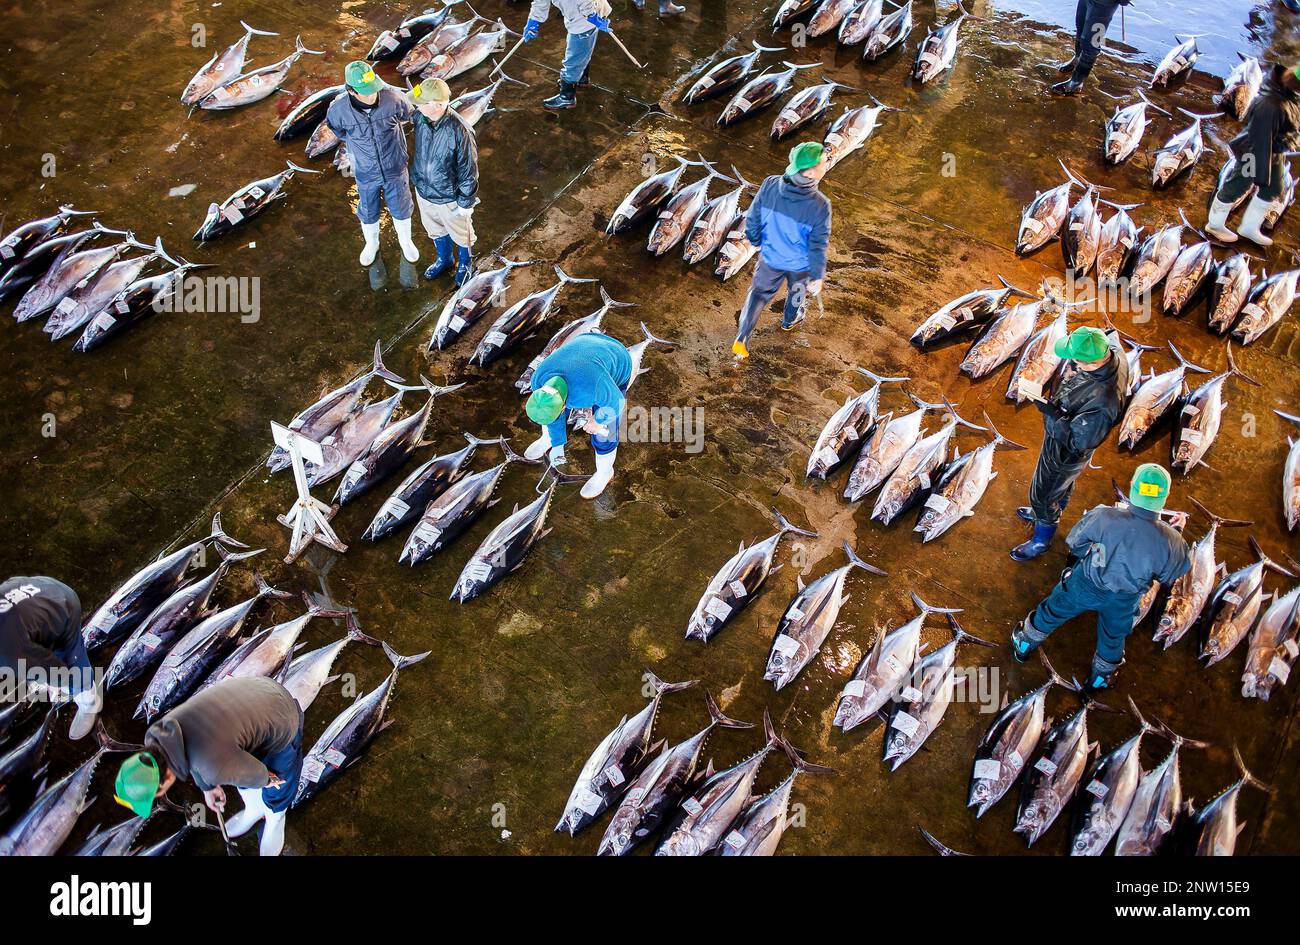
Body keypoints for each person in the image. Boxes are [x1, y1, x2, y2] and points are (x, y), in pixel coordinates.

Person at [1011, 464, 1190, 690]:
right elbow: (1170, 574)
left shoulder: (1104, 515)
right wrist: (1175, 532)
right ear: (1164, 498)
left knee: (1054, 610)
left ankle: (1025, 643)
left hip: (1086, 583)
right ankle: (1099, 678)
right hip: (1125, 598)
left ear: (1133, 488)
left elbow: (1076, 542)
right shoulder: (1174, 542)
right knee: (1113, 635)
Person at [113, 677, 304, 856]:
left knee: (278, 786)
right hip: (256, 691)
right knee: (235, 769)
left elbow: (252, 772)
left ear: (164, 782)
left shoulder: (213, 766)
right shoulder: (160, 733)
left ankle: (275, 818)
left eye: (157, 794)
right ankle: (254, 809)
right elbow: (192, 756)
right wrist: (208, 788)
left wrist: (268, 779)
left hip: (282, 718)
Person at [1012, 325, 1127, 560]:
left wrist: (1054, 415)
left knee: (1042, 495)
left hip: (1065, 452)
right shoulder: (1110, 350)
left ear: (1091, 363)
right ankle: (1053, 506)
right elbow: (1109, 333)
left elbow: (1079, 442)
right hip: (1070, 435)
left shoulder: (1104, 402)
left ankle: (1041, 538)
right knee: (1062, 483)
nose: (1071, 363)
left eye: (1074, 360)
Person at [732, 142, 831, 361]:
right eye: (825, 162)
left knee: (758, 294)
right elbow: (817, 243)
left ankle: (742, 337)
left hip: (771, 256)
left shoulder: (770, 183)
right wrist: (816, 275)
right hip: (799, 263)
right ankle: (789, 321)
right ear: (810, 171)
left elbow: (754, 215)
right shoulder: (820, 204)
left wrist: (756, 239)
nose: (827, 164)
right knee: (797, 291)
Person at [325, 61, 420, 266]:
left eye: (373, 88)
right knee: (368, 209)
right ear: (350, 90)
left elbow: (408, 114)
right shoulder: (338, 110)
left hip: (395, 165)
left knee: (401, 205)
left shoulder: (393, 98)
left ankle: (406, 240)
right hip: (365, 170)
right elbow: (338, 131)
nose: (372, 95)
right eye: (365, 92)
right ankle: (372, 243)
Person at [523, 332, 633, 499]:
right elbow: (551, 413)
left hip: (617, 358)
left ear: (565, 405)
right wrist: (557, 443)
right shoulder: (538, 379)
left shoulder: (591, 387)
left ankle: (605, 472)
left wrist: (597, 421)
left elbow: (616, 403)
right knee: (550, 413)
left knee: (605, 433)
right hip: (583, 342)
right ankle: (548, 440)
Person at [1205, 63, 1300, 246]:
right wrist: (1261, 173)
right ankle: (1215, 225)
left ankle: (1249, 227)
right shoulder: (1270, 104)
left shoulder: (1289, 96)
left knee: (1274, 188)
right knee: (1238, 186)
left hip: (1274, 150)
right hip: (1254, 151)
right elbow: (1260, 138)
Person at [0, 576, 100, 740]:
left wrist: (56, 681)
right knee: (33, 655)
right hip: (38, 588)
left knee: (73, 664)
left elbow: (54, 670)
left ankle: (90, 704)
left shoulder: (5, 651)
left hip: (64, 607)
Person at [410, 79, 480, 285]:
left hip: (450, 197)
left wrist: (466, 202)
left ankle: (466, 264)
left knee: (461, 234)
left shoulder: (461, 131)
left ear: (437, 105)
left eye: (421, 102)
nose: (416, 106)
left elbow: (469, 171)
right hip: (424, 191)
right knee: (434, 229)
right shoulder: (420, 118)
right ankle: (445, 259)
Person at [523, 0, 614, 110]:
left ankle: (567, 97)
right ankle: (582, 79)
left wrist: (591, 15)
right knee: (582, 52)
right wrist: (533, 20)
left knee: (574, 59)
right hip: (579, 16)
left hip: (585, 19)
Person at [1050, 0, 1130, 96]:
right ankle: (1077, 58)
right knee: (1080, 28)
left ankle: (1076, 82)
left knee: (1092, 43)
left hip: (1104, 4)